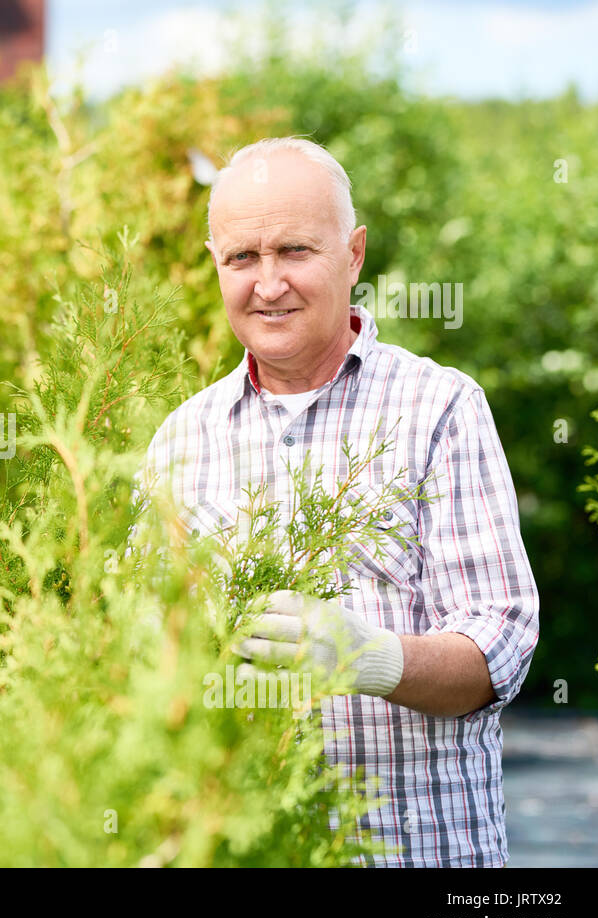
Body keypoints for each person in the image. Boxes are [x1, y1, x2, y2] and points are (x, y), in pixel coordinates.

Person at [138, 136, 539, 866]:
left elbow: (501, 646)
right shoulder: (180, 440)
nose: (268, 284)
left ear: (353, 254)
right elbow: (139, 654)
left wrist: (376, 658)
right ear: (215, 265)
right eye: (242, 258)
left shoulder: (438, 408)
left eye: (294, 250)